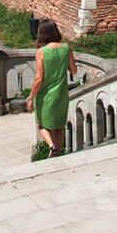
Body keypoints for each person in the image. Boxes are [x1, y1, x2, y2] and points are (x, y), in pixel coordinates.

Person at [26, 19, 76, 158]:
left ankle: (51, 146)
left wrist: (31, 97)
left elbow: (38, 78)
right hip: (61, 94)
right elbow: (74, 70)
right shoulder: (67, 48)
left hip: (46, 95)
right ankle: (57, 153)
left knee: (41, 123)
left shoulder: (41, 52)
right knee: (59, 127)